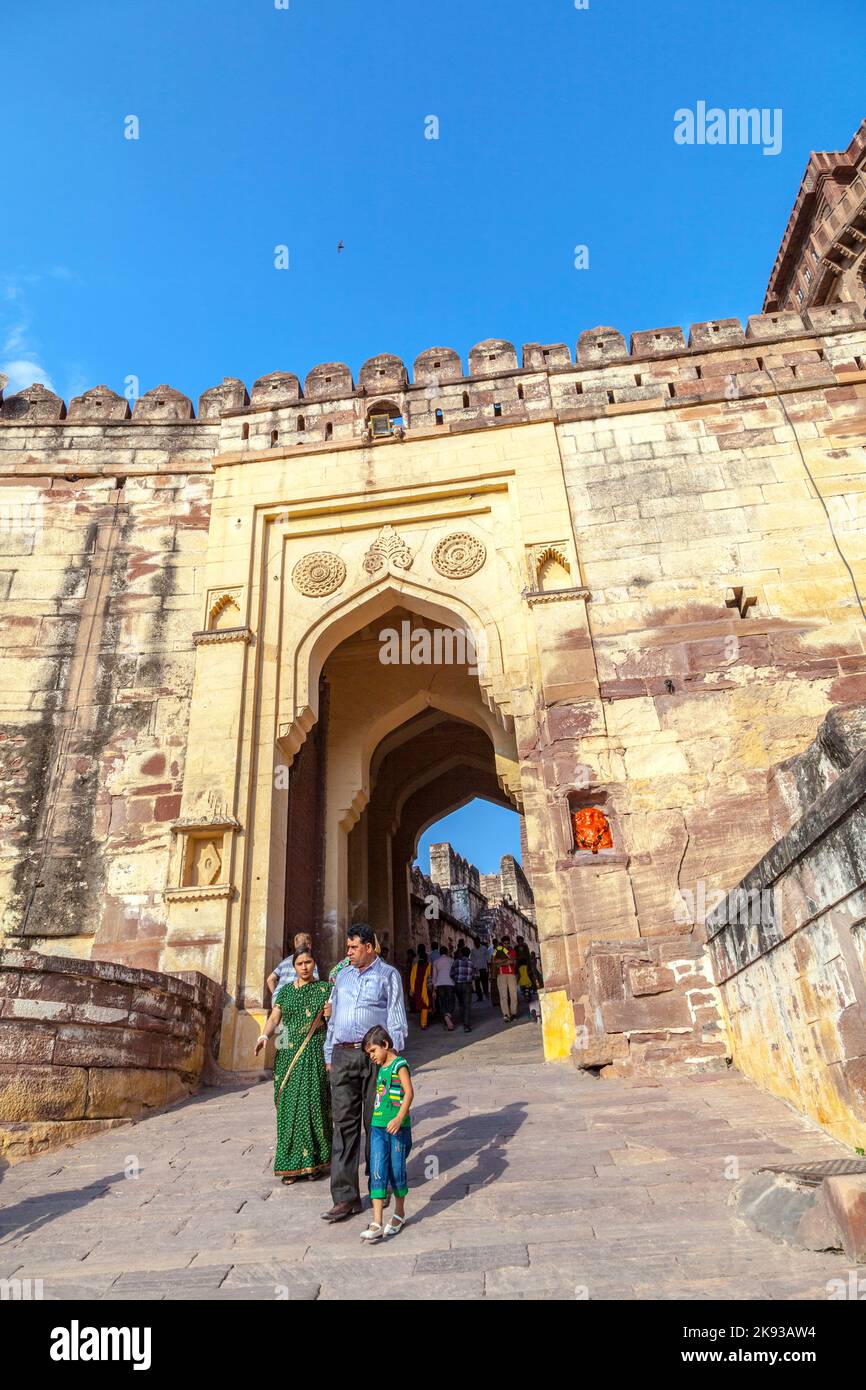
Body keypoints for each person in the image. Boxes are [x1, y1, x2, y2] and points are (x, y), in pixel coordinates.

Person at [321, 925, 408, 1224]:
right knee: (343, 1125)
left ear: (369, 947)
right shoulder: (342, 976)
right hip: (343, 1054)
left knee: (376, 1124)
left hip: (375, 1058)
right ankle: (345, 1197)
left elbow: (396, 1016)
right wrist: (329, 1052)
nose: (348, 952)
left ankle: (378, 1186)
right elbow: (333, 1016)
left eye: (353, 947)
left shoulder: (387, 975)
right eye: (348, 947)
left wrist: (393, 1059)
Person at [254, 947, 332, 1184]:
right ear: (294, 967)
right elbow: (275, 1019)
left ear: (314, 964)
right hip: (288, 1054)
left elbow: (335, 1021)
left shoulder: (325, 990)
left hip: (313, 1053)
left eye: (308, 962)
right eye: (300, 963)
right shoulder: (285, 992)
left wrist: (331, 1013)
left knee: (313, 1104)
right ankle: (290, 1165)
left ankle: (314, 1163)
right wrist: (264, 1036)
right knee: (289, 1109)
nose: (305, 967)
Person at [359, 1025, 414, 1242]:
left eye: (373, 1051)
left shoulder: (400, 1065)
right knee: (377, 1169)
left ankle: (399, 1213)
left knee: (396, 1170)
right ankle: (376, 1222)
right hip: (378, 1127)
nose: (371, 1056)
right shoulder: (380, 1068)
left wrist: (399, 1118)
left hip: (397, 1129)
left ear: (386, 1045)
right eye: (369, 1053)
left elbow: (409, 1093)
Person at [267, 932, 320, 1002]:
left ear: (295, 945)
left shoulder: (285, 961)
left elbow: (270, 979)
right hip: (294, 999)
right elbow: (315, 982)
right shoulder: (309, 962)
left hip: (277, 998)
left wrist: (275, 995)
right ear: (309, 945)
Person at [450, 945, 476, 1032]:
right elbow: (475, 976)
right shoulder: (471, 963)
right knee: (467, 1005)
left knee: (461, 1003)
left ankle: (463, 1019)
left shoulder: (456, 962)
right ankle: (466, 1025)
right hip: (467, 985)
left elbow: (451, 974)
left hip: (458, 985)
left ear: (461, 953)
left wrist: (456, 979)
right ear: (469, 954)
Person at [431, 944, 455, 1030]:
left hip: (439, 984)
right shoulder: (451, 960)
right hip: (450, 983)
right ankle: (448, 1015)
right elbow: (453, 973)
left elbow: (434, 976)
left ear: (440, 953)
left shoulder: (436, 962)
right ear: (447, 952)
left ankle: (445, 1018)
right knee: (451, 1001)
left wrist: (434, 988)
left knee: (442, 1002)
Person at [493, 938, 518, 1021]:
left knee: (513, 995)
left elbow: (512, 962)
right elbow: (495, 961)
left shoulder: (512, 951)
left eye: (508, 943)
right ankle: (506, 1014)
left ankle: (513, 1013)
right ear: (502, 944)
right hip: (501, 975)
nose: (506, 945)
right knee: (503, 996)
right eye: (505, 943)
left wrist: (501, 963)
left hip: (511, 975)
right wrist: (506, 960)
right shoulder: (497, 951)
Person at [409, 947, 432, 1027]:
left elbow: (412, 977)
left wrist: (412, 989)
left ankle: (423, 1021)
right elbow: (430, 977)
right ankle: (423, 1023)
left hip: (417, 988)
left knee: (422, 1005)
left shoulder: (415, 966)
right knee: (425, 1005)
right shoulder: (429, 965)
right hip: (425, 989)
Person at [470, 936, 489, 1001]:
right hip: (476, 969)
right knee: (477, 984)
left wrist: (488, 967)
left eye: (477, 942)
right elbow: (471, 960)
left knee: (485, 983)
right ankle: (479, 997)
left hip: (483, 968)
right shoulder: (472, 950)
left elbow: (488, 957)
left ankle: (486, 994)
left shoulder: (484, 948)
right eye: (475, 942)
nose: (476, 943)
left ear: (479, 942)